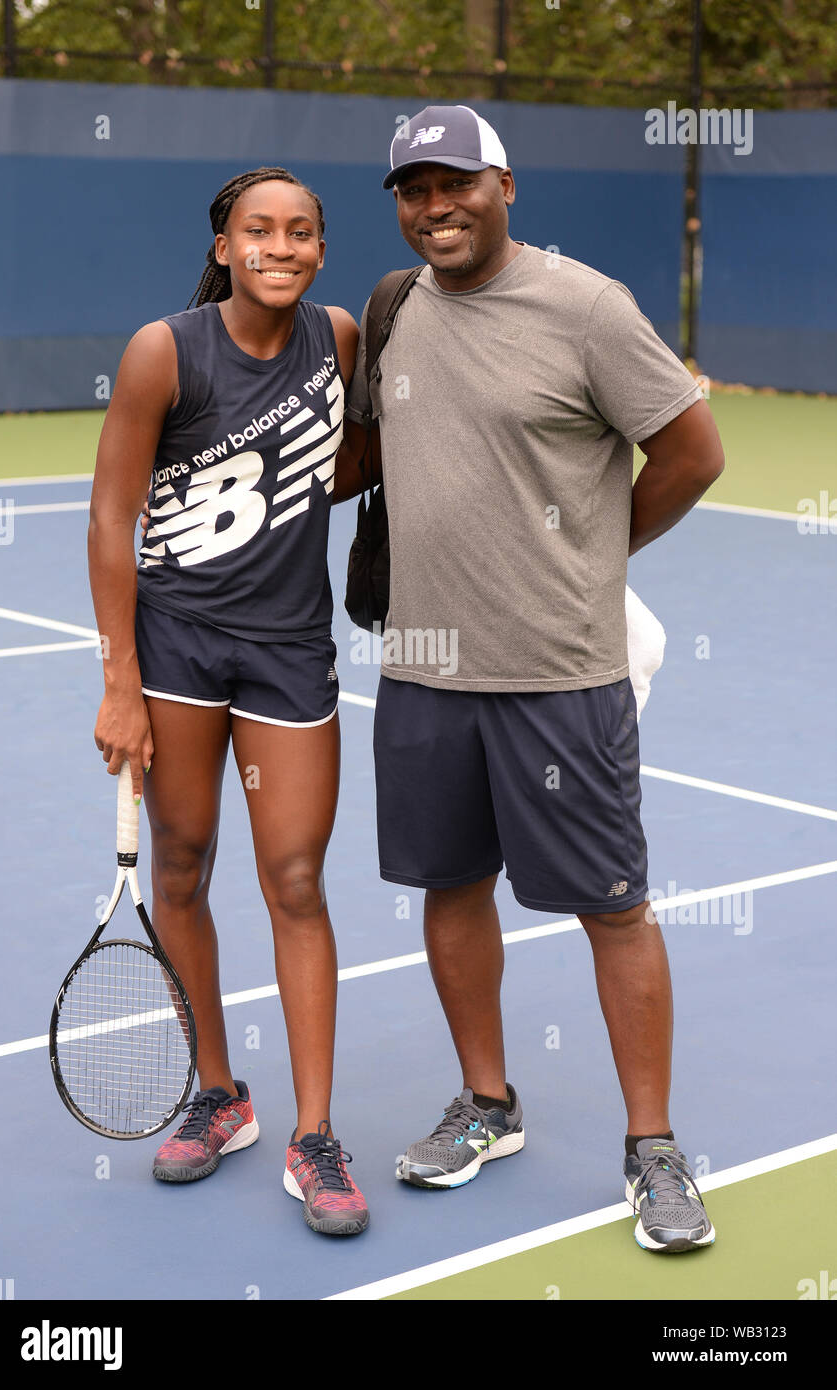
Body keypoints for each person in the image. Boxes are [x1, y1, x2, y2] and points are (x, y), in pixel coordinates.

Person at [333, 105, 725, 1253]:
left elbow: (693, 450)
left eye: (455, 183)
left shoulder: (586, 307)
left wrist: (587, 563)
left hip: (558, 667)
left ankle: (651, 1148)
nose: (434, 207)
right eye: (412, 190)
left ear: (506, 184)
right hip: (421, 663)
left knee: (612, 906)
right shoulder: (395, 307)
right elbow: (365, 454)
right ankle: (487, 1104)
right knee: (449, 887)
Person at [89, 166, 369, 1238]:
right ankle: (219, 1090)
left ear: (319, 251)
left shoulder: (337, 337)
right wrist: (120, 678)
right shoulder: (164, 352)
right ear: (224, 247)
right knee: (183, 863)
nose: (281, 245)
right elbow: (110, 517)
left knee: (294, 876)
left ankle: (313, 1134)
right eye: (260, 229)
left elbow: (336, 467)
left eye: (301, 231)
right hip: (176, 649)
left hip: (289, 651)